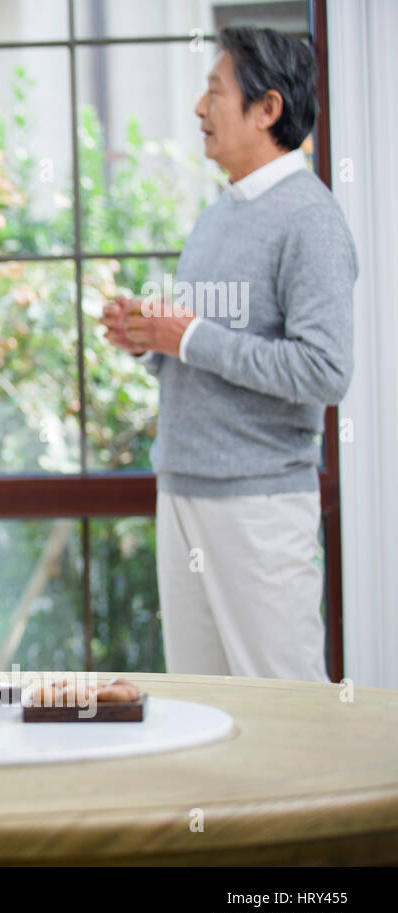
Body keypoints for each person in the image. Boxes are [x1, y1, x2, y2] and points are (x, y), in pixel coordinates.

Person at [100, 26, 356, 682]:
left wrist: (185, 335)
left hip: (258, 507)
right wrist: (147, 341)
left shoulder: (311, 219)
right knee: (205, 703)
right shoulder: (217, 216)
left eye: (215, 91)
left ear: (267, 109)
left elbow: (324, 371)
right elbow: (207, 354)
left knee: (288, 710)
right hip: (183, 488)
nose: (198, 108)